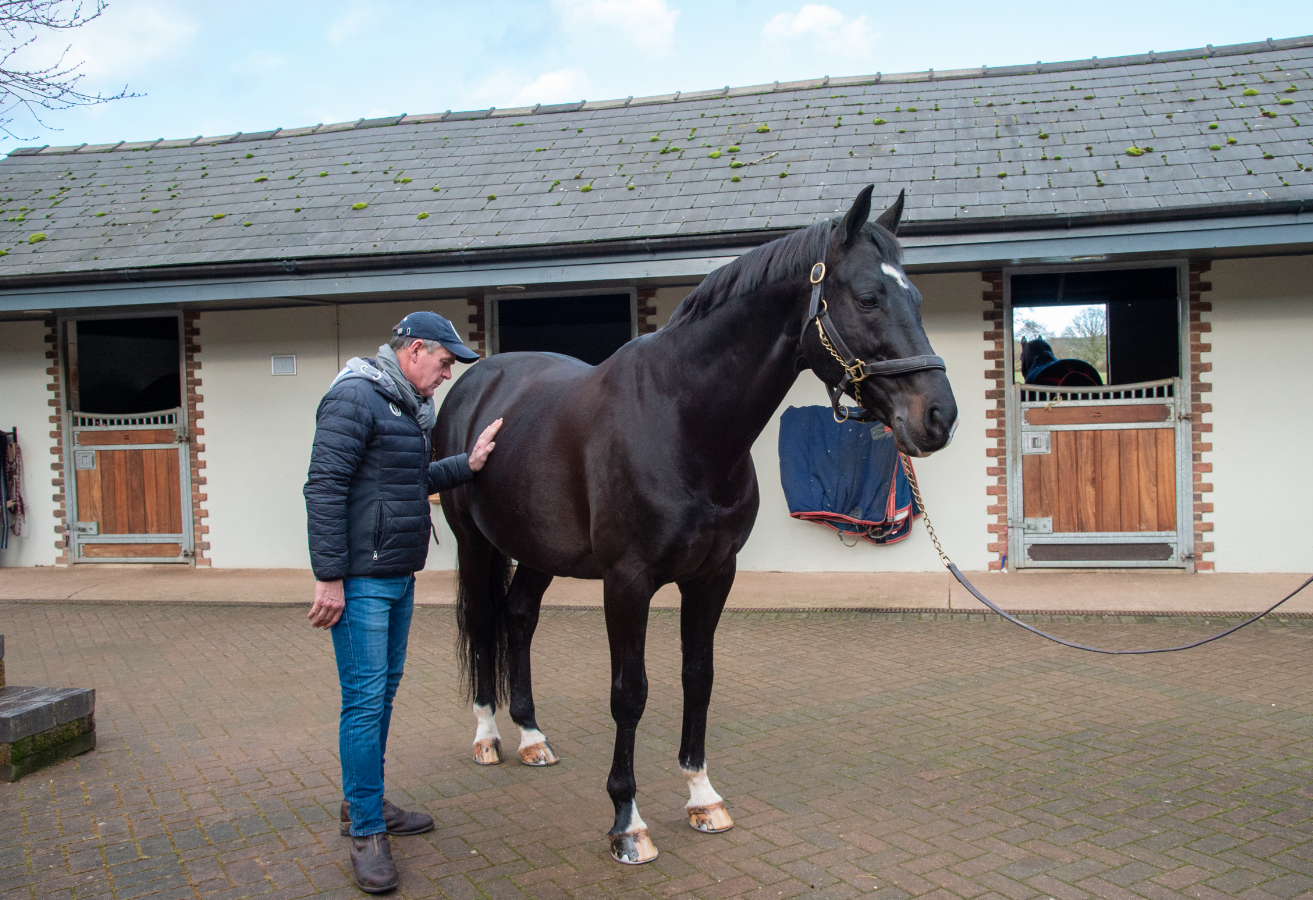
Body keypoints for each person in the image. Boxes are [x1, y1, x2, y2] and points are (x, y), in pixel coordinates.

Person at [303, 311, 501, 893]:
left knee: (382, 694)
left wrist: (469, 465)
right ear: (414, 350)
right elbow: (324, 486)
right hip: (360, 582)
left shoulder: (406, 406)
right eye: (443, 363)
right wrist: (329, 577)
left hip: (397, 575)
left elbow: (410, 479)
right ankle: (365, 831)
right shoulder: (354, 398)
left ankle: (363, 802)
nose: (445, 375)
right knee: (363, 703)